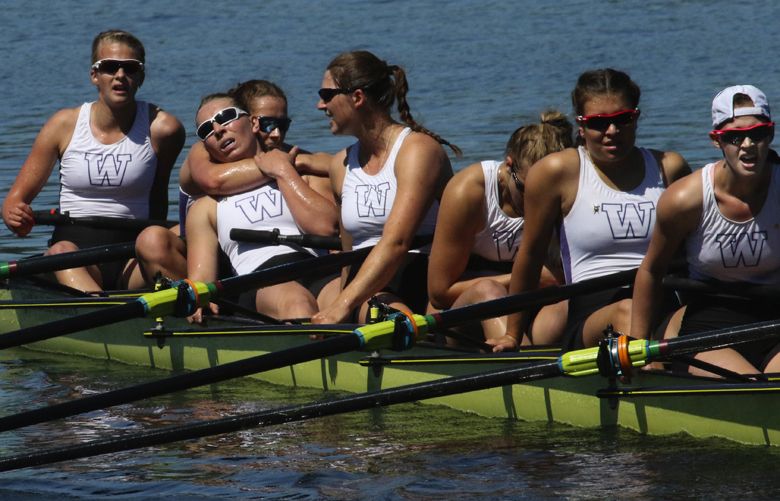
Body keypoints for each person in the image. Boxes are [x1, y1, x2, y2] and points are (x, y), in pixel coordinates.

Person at [490, 68, 690, 352]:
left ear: (636, 117)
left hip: (663, 303)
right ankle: (657, 372)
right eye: (599, 123)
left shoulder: (669, 168)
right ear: (581, 126)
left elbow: (693, 253)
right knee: (627, 311)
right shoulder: (556, 172)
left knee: (699, 320)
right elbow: (531, 255)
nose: (612, 131)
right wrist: (512, 334)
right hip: (593, 314)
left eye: (623, 119)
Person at [1, 29, 185, 292]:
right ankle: (102, 308)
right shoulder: (62, 125)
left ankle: (194, 302)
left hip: (132, 259)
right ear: (94, 75)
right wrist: (15, 216)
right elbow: (14, 202)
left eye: (130, 68)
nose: (120, 75)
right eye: (109, 67)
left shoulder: (164, 129)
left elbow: (158, 197)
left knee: (167, 236)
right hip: (73, 256)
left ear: (141, 77)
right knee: (61, 252)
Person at [631, 85, 780, 375]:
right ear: (716, 140)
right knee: (749, 386)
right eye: (734, 137)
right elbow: (651, 271)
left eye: (758, 133)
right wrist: (637, 347)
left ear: (771, 133)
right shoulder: (684, 200)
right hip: (710, 325)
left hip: (774, 318)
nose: (748, 144)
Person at [310, 50, 459, 324]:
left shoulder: (417, 150)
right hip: (366, 289)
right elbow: (348, 255)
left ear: (357, 97)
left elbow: (397, 242)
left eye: (327, 95)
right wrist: (340, 309)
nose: (320, 105)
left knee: (388, 314)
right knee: (373, 307)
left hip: (419, 274)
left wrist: (341, 306)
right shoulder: (340, 165)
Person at [135, 79, 320, 284]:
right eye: (267, 124)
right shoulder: (204, 150)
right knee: (153, 240)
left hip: (255, 256)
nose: (276, 134)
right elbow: (214, 181)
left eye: (282, 125)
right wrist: (287, 165)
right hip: (201, 256)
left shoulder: (283, 154)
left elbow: (327, 163)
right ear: (251, 121)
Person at [185, 93, 339, 323]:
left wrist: (283, 171)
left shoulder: (303, 176)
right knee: (296, 301)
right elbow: (201, 280)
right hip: (259, 280)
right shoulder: (204, 208)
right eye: (206, 129)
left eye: (226, 117)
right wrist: (198, 298)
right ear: (206, 145)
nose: (217, 130)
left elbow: (328, 228)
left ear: (254, 123)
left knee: (357, 299)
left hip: (317, 267)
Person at [427, 111, 572, 345]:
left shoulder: (568, 190)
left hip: (531, 313)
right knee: (489, 290)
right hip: (463, 317)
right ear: (509, 165)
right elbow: (439, 293)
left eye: (546, 192)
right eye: (527, 189)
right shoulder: (468, 192)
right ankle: (524, 364)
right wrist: (527, 278)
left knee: (572, 302)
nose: (537, 200)